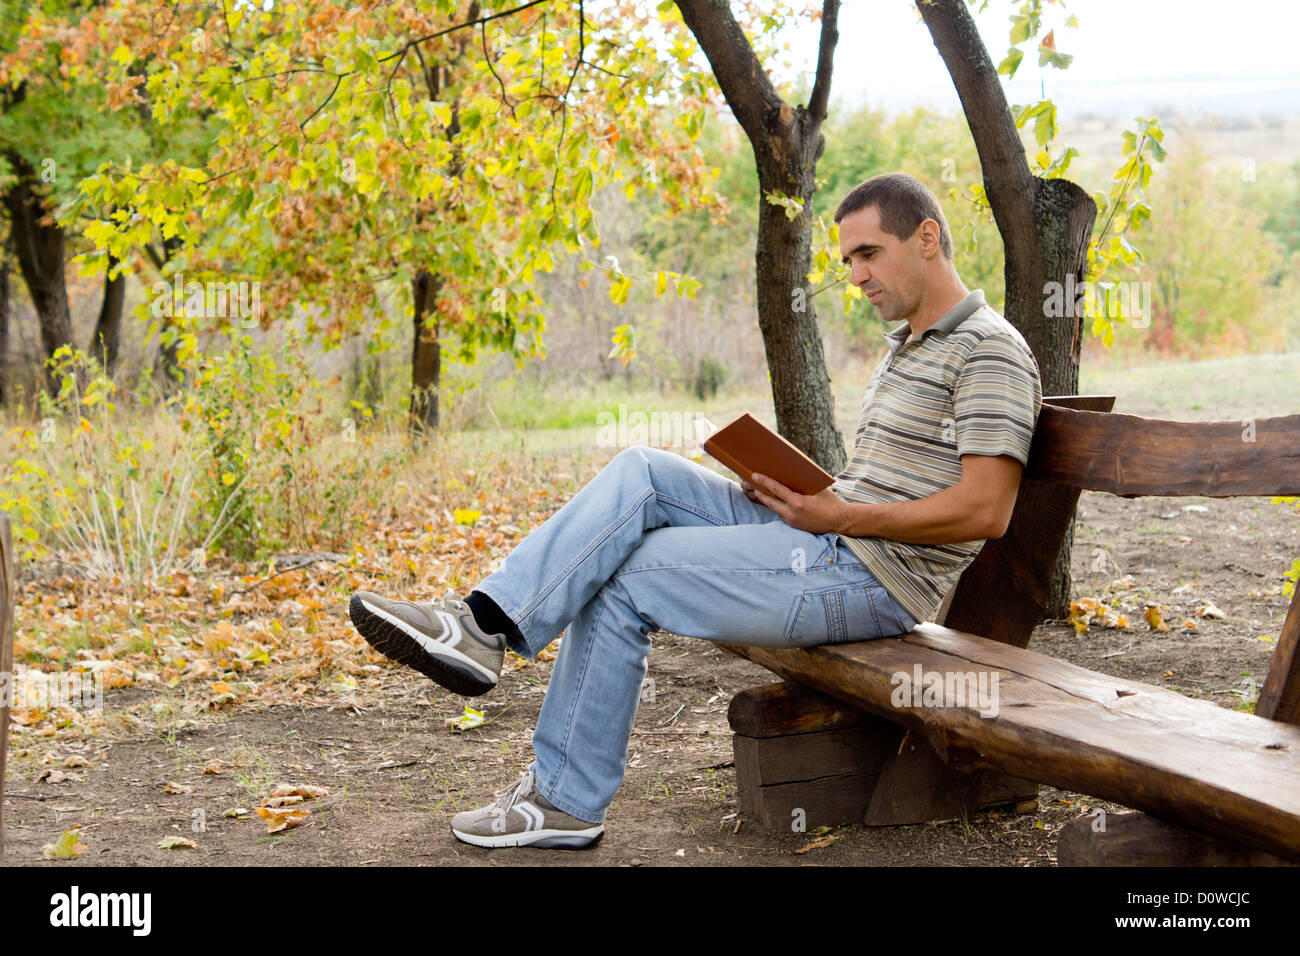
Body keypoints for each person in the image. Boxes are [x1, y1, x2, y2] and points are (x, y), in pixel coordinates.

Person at [347, 172, 1043, 850]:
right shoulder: (909, 347)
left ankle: (564, 801)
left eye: (868, 254)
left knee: (623, 575)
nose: (855, 276)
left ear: (927, 237)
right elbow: (890, 485)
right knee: (642, 471)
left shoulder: (987, 350)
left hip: (870, 579)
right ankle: (481, 625)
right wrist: (800, 494)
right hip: (835, 539)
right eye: (848, 260)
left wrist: (838, 518)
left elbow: (985, 511)